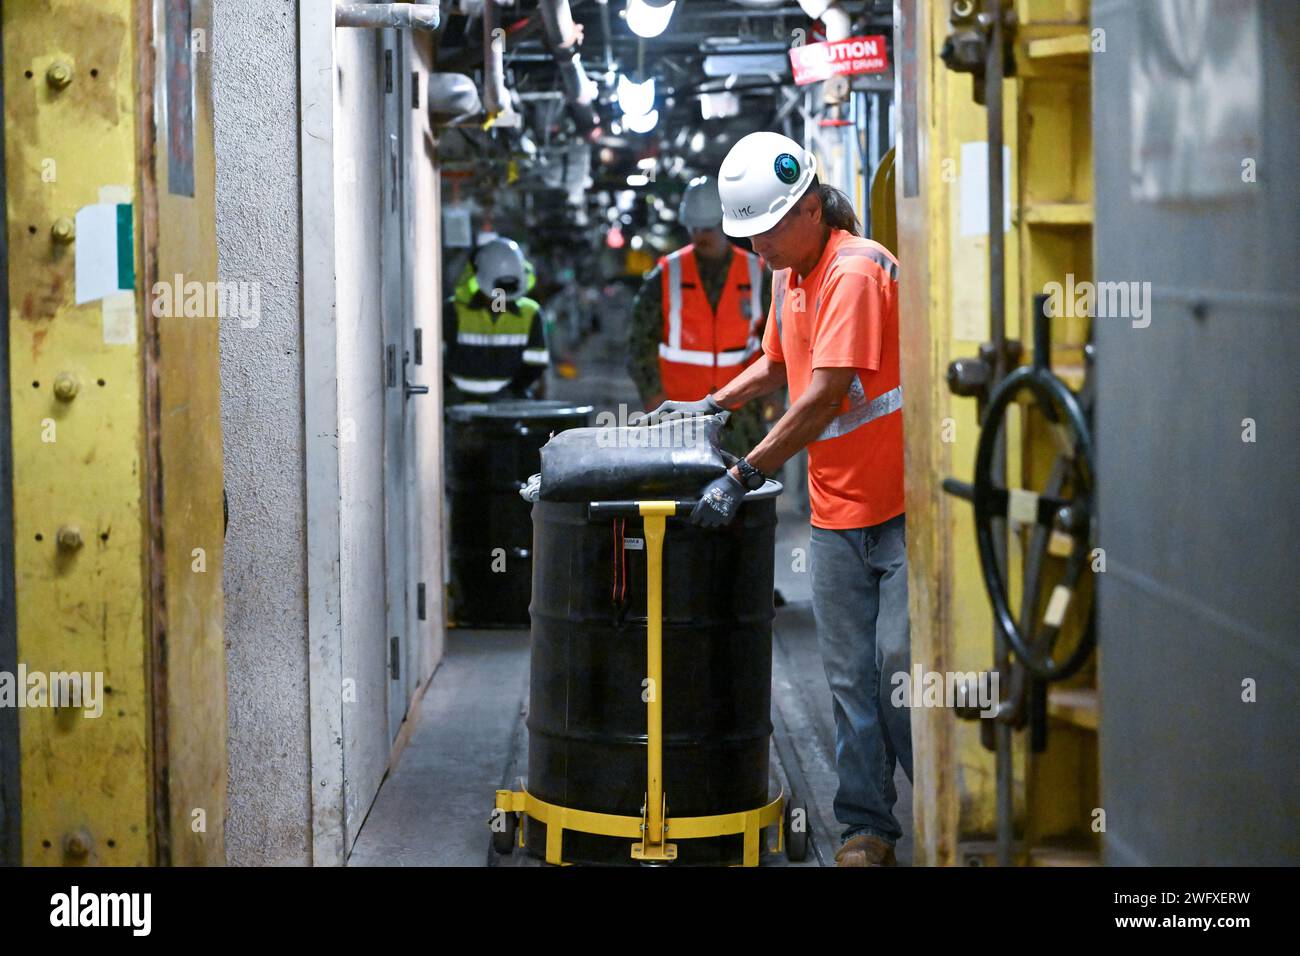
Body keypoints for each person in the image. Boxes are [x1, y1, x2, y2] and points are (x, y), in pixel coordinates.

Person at [638, 132, 911, 867]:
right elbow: (775, 362)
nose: (755, 250)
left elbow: (821, 397)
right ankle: (866, 829)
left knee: (898, 671)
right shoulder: (792, 273)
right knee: (851, 679)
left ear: (811, 209)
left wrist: (741, 473)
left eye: (764, 233)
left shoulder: (853, 269)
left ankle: (954, 803)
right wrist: (706, 407)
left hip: (900, 511)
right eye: (748, 237)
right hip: (835, 514)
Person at [626, 176, 772, 457]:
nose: (701, 236)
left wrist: (774, 394)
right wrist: (653, 396)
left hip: (741, 415)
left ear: (725, 224)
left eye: (709, 228)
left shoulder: (757, 273)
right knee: (682, 493)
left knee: (746, 489)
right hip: (681, 413)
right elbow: (639, 344)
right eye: (695, 228)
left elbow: (778, 342)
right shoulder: (667, 274)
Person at [443, 237, 549, 403]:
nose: (501, 299)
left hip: (510, 408)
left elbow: (535, 365)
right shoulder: (454, 311)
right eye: (499, 292)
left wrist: (511, 393)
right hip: (460, 408)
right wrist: (451, 394)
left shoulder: (531, 314)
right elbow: (436, 360)